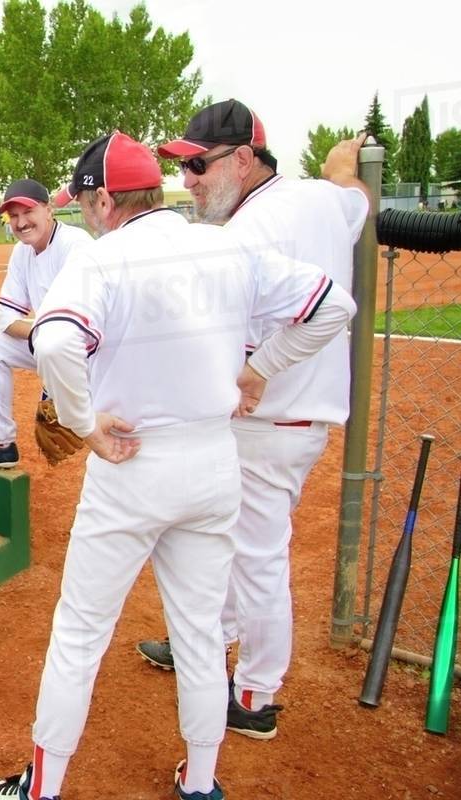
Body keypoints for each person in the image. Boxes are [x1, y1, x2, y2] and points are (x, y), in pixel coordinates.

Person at [0, 131, 356, 800]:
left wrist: (84, 422)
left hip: (132, 463)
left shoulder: (103, 257)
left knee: (80, 633)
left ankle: (44, 788)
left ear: (103, 200)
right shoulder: (226, 242)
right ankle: (201, 783)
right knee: (202, 631)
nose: (85, 213)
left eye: (85, 202)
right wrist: (258, 370)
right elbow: (334, 307)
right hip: (213, 461)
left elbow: (56, 340)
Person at [135, 99, 370, 740]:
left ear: (243, 159)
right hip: (295, 419)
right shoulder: (320, 198)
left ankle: (257, 695)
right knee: (239, 548)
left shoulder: (245, 235)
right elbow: (357, 202)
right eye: (183, 169)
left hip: (270, 418)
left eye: (199, 166)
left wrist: (259, 366)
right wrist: (341, 165)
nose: (189, 181)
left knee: (258, 557)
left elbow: (328, 311)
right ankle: (209, 641)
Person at [0, 179, 92, 468]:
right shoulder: (22, 252)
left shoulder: (75, 245)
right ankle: (1, 445)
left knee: (52, 341)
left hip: (92, 351)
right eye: (13, 216)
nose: (21, 222)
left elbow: (84, 322)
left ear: (48, 209)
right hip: (50, 345)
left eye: (28, 212)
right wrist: (43, 340)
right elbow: (5, 317)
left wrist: (52, 381)